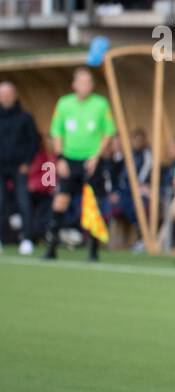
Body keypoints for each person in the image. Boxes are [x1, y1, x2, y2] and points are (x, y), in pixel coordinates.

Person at [44, 67, 116, 262]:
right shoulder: (64, 104)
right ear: (74, 85)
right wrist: (60, 158)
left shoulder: (100, 104)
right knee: (60, 201)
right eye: (81, 82)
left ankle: (93, 250)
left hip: (92, 161)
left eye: (88, 82)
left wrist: (96, 157)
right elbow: (56, 132)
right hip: (69, 159)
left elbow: (108, 132)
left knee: (92, 203)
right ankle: (51, 247)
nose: (85, 86)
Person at [0, 80, 39, 254]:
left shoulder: (25, 117)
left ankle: (27, 238)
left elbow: (34, 141)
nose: (5, 98)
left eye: (8, 94)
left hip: (19, 167)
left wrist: (26, 162)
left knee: (23, 202)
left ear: (14, 96)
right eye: (2, 95)